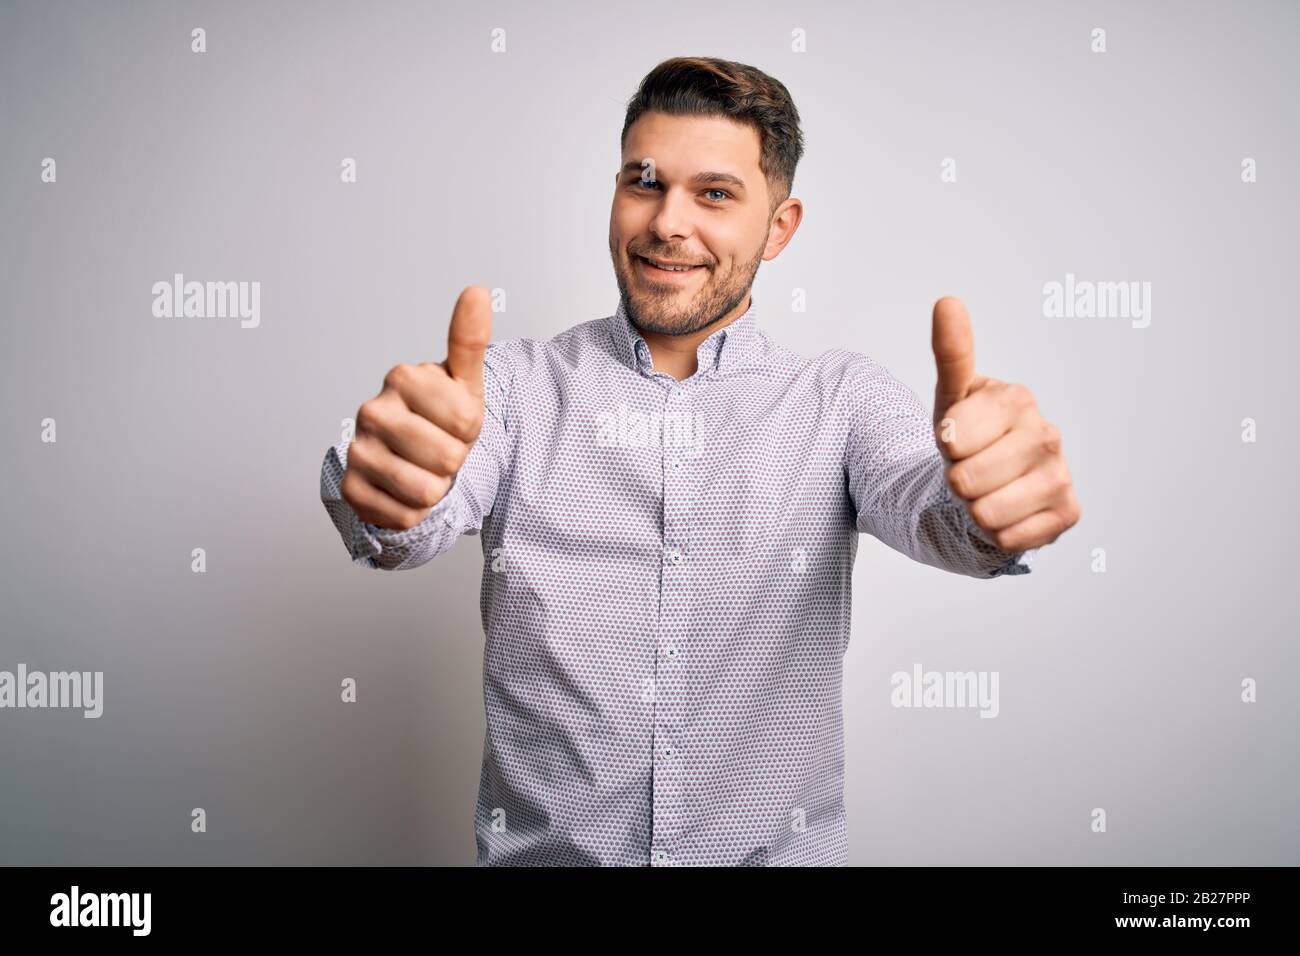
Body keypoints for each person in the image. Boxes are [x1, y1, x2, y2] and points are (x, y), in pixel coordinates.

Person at [319, 56, 1080, 866]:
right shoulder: (510, 388)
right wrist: (385, 492)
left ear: (778, 227)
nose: (667, 223)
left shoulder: (841, 399)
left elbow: (938, 509)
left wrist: (991, 506)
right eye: (643, 182)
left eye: (714, 194)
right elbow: (414, 510)